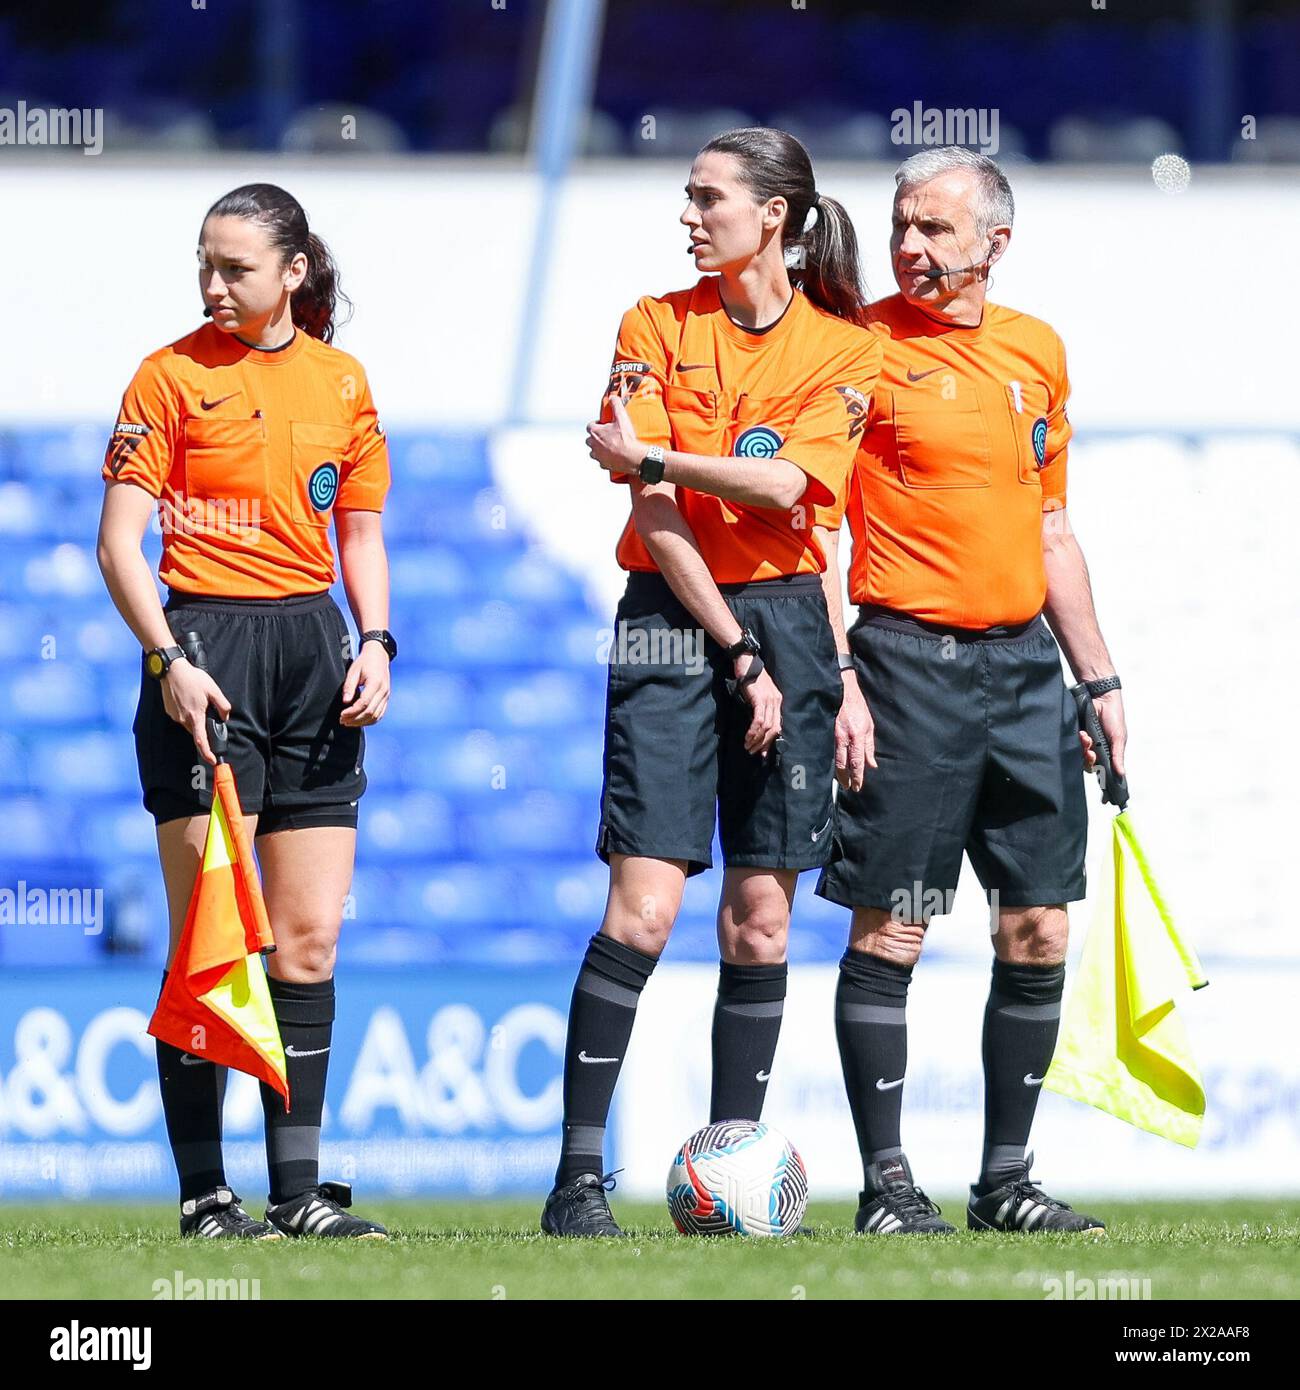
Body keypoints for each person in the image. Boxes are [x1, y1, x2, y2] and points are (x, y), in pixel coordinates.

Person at [542, 127, 883, 1237]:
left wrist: (658, 459)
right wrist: (735, 649)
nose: (687, 216)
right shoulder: (651, 323)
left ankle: (729, 1171)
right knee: (643, 908)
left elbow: (789, 486)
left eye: (707, 198)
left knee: (760, 924)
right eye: (686, 197)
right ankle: (577, 1181)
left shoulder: (844, 347)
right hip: (673, 626)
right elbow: (652, 511)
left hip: (788, 617)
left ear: (773, 214)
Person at [814, 146, 1124, 1236]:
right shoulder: (856, 349)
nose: (908, 245)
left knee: (1037, 926)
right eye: (901, 224)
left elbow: (1050, 527)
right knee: (894, 927)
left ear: (995, 241)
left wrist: (1097, 675)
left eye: (934, 228)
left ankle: (1005, 1182)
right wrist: (839, 673)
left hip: (1026, 674)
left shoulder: (1037, 351)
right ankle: (887, 1187)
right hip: (906, 668)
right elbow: (813, 526)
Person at [96, 183, 396, 1240]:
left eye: (236, 267)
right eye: (205, 265)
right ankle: (204, 1195)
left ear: (293, 271)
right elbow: (118, 541)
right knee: (211, 941)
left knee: (308, 941)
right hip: (205, 655)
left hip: (313, 654)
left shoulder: (343, 380)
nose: (215, 285)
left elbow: (359, 534)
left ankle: (301, 1194)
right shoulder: (167, 375)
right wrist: (168, 655)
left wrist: (378, 639)